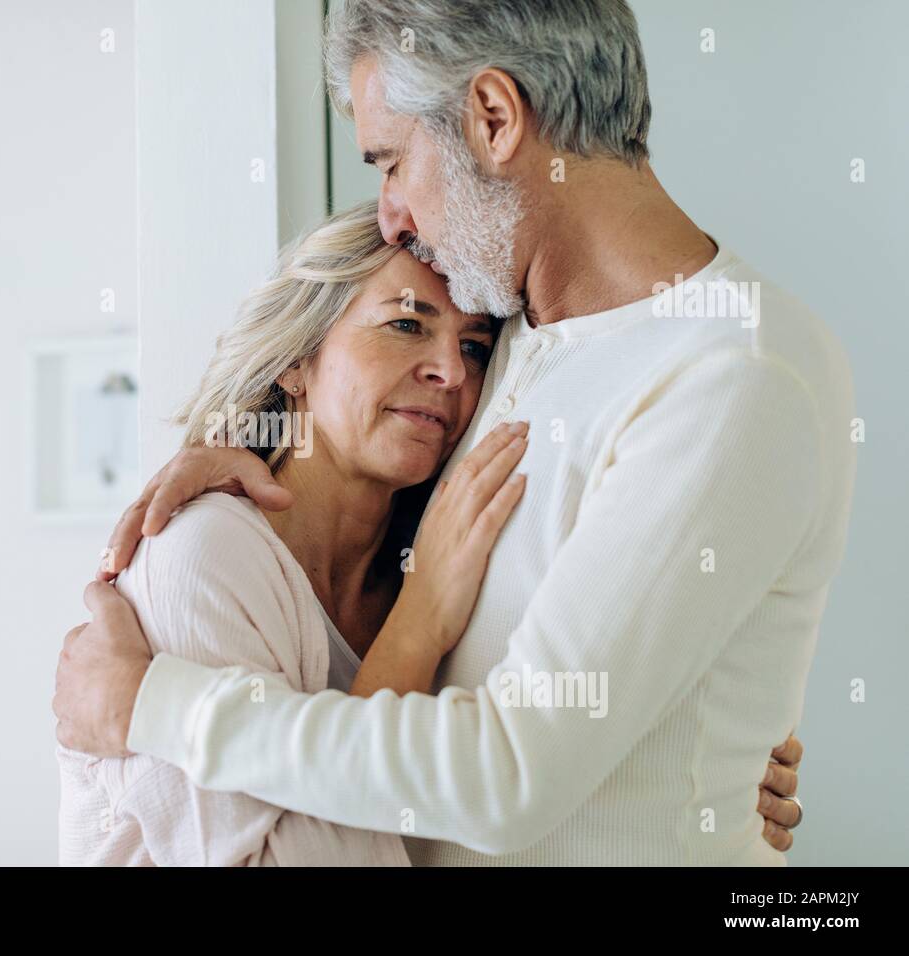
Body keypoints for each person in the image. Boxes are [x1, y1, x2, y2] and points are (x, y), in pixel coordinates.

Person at [55, 0, 849, 864]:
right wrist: (247, 443)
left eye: (392, 162)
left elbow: (508, 773)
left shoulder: (734, 373)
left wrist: (155, 707)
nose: (392, 213)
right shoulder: (509, 337)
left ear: (495, 119)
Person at [59, 200, 521, 865]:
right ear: (297, 361)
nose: (451, 372)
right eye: (404, 324)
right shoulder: (201, 553)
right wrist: (416, 629)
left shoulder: (443, 561)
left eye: (474, 347)